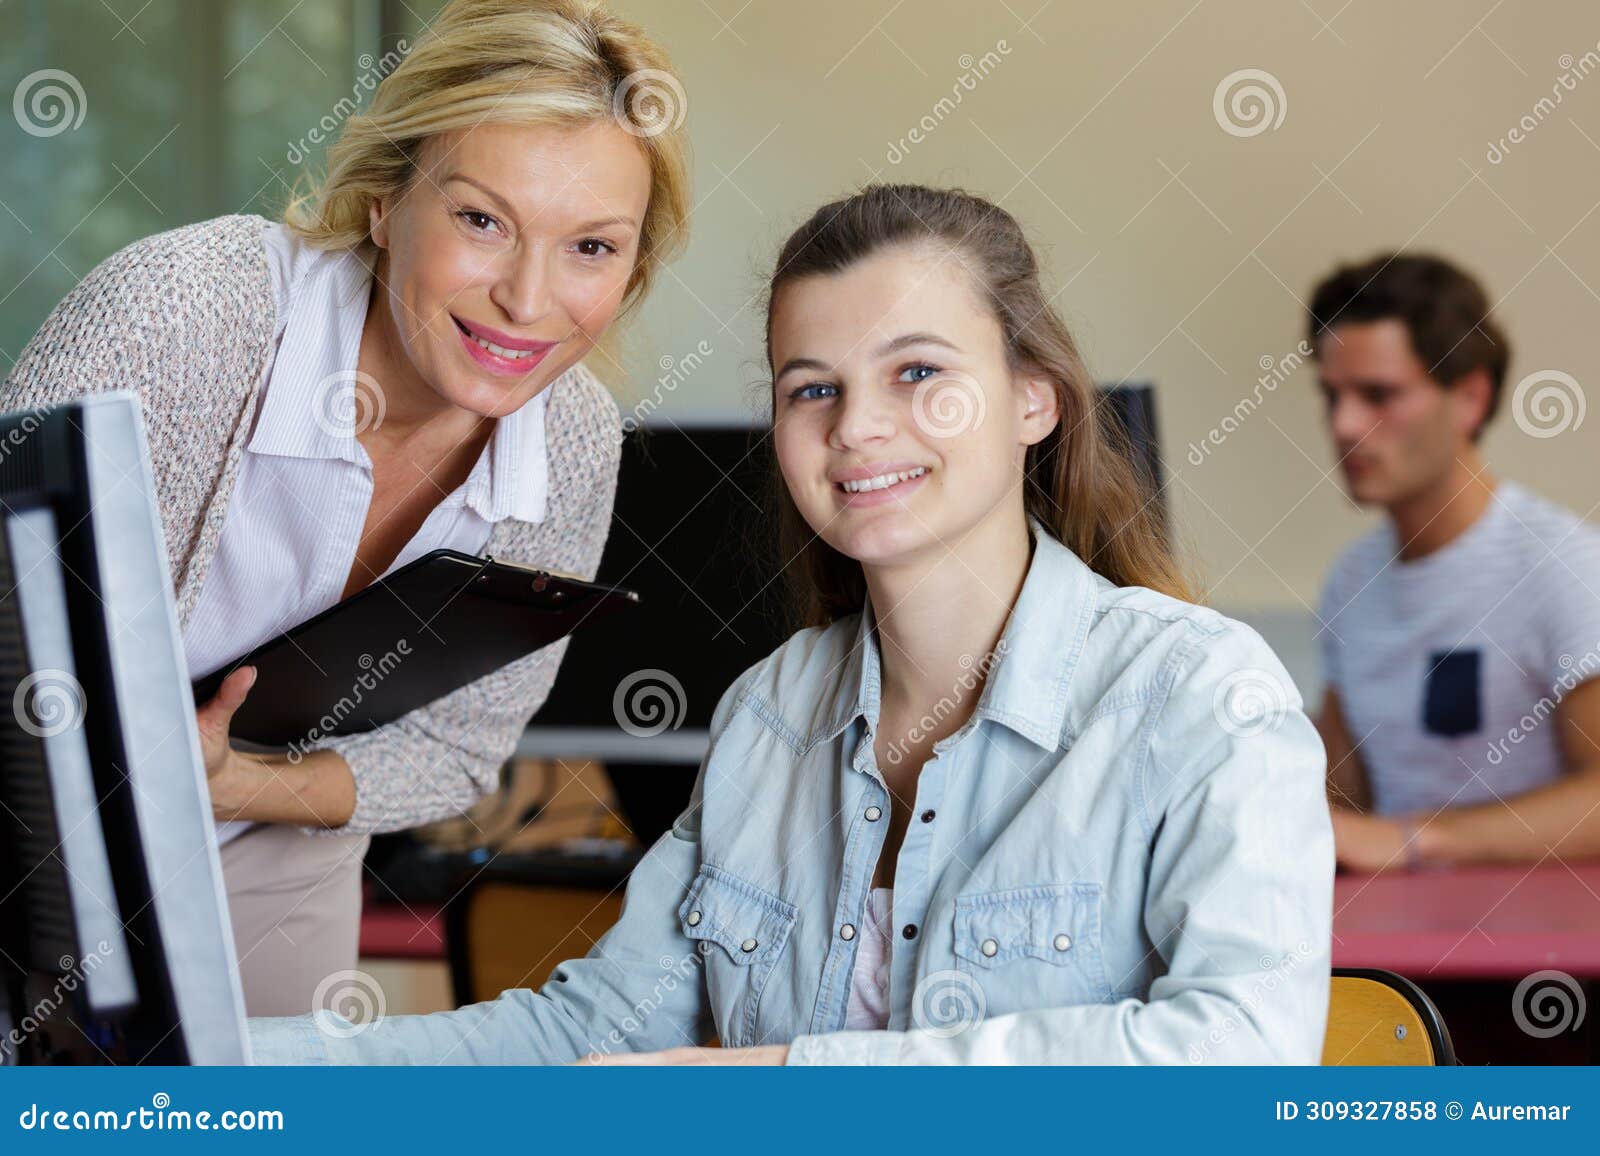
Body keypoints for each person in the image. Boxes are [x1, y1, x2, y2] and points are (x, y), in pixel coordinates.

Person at [249, 184, 1333, 1065]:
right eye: (811, 389)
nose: (857, 427)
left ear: (1033, 401)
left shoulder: (1195, 693)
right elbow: (593, 1036)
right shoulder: (769, 715)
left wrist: (790, 1080)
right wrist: (215, 1064)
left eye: (917, 373)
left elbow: (1240, 1050)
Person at [0, 0, 690, 1015]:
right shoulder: (187, 312)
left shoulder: (575, 436)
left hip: (268, 851)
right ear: (381, 200)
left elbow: (455, 749)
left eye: (592, 246)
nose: (528, 299)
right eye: (481, 220)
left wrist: (238, 786)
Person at [1308, 254, 1600, 872]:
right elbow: (1340, 808)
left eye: (1378, 395)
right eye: (1331, 395)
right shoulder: (1350, 582)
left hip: (1532, 958)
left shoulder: (1563, 566)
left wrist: (1416, 840)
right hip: (1389, 952)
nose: (1344, 424)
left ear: (1469, 397)